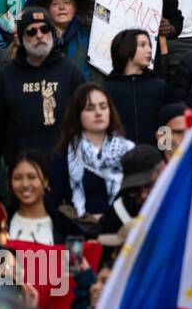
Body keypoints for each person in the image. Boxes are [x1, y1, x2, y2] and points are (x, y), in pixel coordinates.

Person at [0, 8, 85, 170]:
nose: (39, 35)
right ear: (20, 38)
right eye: (31, 31)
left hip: (64, 168)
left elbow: (84, 119)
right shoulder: (7, 75)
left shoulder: (70, 71)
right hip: (22, 170)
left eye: (45, 29)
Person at [44, 83, 136, 230]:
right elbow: (54, 203)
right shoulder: (63, 155)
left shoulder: (129, 152)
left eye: (103, 106)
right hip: (80, 233)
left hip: (124, 231)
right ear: (77, 114)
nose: (98, 113)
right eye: (90, 108)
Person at [103, 29, 174, 145]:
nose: (149, 50)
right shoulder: (108, 89)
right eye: (142, 45)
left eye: (149, 45)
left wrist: (164, 153)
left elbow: (166, 123)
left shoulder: (159, 87)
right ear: (126, 48)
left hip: (153, 158)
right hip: (119, 159)